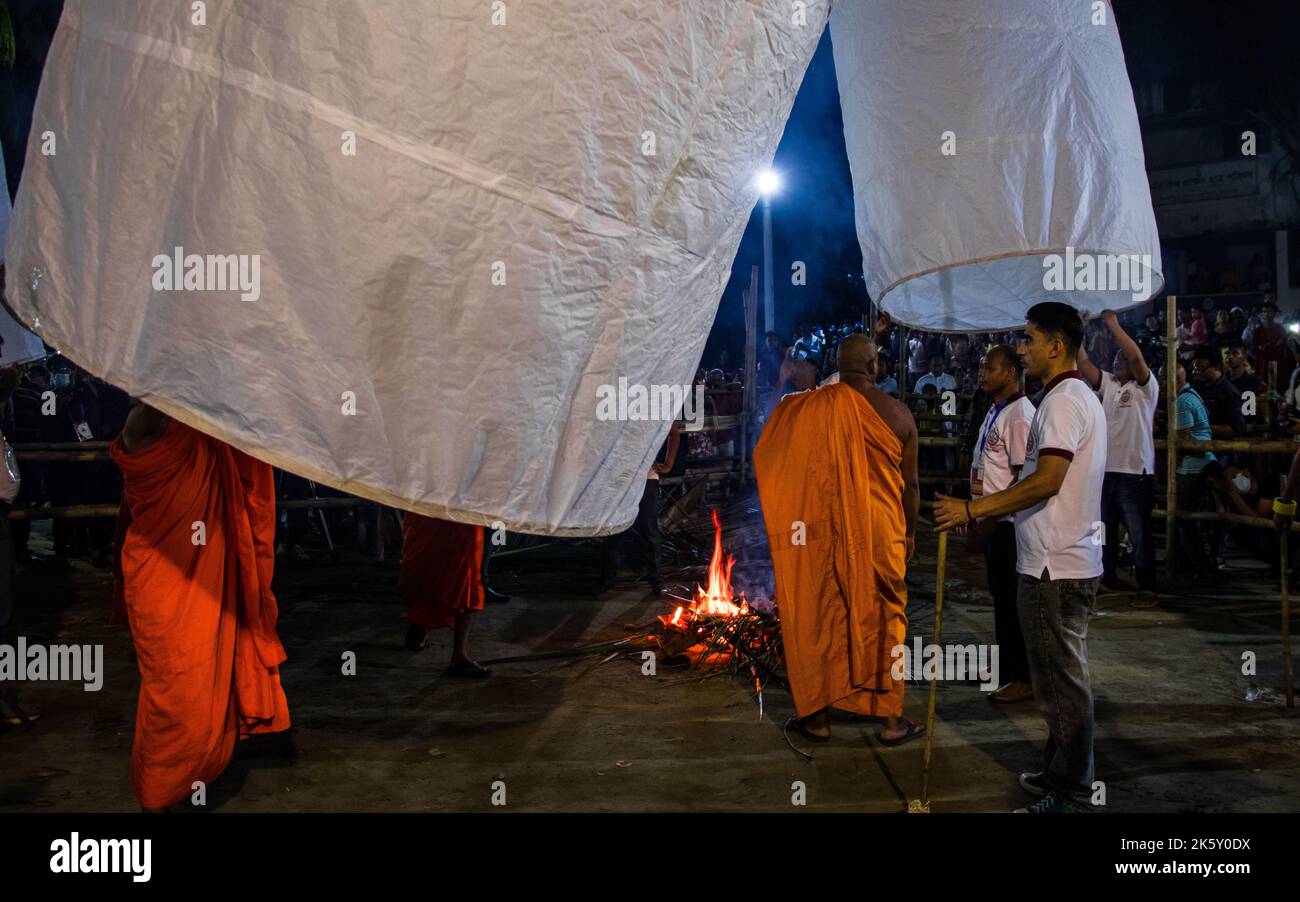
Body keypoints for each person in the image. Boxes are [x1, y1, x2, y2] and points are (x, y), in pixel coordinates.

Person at [935, 302, 1106, 813]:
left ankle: (1072, 792)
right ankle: (1059, 770)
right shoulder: (1067, 397)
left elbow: (1046, 481)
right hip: (1056, 560)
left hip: (1055, 565)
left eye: (1030, 339)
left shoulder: (1061, 402)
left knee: (1061, 684)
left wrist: (972, 508)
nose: (1023, 348)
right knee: (1056, 679)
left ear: (1056, 345)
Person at [111, 405, 291, 810]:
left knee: (206, 681)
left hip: (207, 577)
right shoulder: (145, 420)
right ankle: (159, 793)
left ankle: (186, 777)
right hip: (162, 580)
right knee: (174, 690)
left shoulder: (213, 426)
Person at [754, 335, 923, 745]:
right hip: (882, 534)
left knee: (819, 611)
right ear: (874, 366)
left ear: (837, 364)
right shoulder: (897, 413)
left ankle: (818, 717)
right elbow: (912, 486)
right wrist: (911, 532)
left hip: (820, 533)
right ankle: (891, 720)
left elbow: (772, 457)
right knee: (886, 619)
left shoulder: (807, 409)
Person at [967, 344, 1036, 703]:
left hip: (1007, 524)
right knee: (1001, 598)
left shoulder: (1021, 414)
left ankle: (1023, 677)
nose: (981, 373)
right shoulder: (997, 409)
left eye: (988, 367)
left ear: (1009, 373)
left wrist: (990, 521)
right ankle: (1009, 669)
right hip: (992, 519)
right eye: (980, 367)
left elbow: (1023, 477)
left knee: (1011, 601)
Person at [1076, 309, 1159, 600]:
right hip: (1106, 472)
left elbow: (1136, 358)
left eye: (1121, 358)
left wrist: (1112, 324)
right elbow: (1083, 362)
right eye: (1116, 358)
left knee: (1139, 534)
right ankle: (1107, 578)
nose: (1118, 360)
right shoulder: (1109, 384)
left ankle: (1148, 586)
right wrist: (1080, 330)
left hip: (1135, 473)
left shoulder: (1147, 389)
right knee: (1104, 531)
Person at [400, 513, 491, 675]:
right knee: (427, 569)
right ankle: (420, 620)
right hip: (434, 510)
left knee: (465, 578)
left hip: (460, 514)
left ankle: (458, 653)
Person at [600, 420, 681, 596]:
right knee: (613, 529)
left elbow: (674, 432)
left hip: (646, 477)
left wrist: (668, 465)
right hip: (618, 478)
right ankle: (607, 578)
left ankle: (656, 581)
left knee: (649, 530)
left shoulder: (654, 403)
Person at [1173, 361, 1217, 576]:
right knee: (1188, 519)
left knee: (1183, 518)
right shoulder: (1192, 395)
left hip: (1193, 467)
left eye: (1164, 379)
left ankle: (1200, 565)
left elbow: (1184, 439)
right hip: (1202, 463)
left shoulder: (1182, 401)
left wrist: (1177, 460)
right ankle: (1189, 563)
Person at [1190, 346, 1245, 438]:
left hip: (1219, 447)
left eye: (1201, 369)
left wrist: (1199, 428)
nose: (1197, 372)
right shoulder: (1196, 385)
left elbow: (1235, 429)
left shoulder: (1229, 392)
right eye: (1195, 368)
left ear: (1216, 367)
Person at [1248, 301, 1289, 389]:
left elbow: (1281, 346)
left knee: (1278, 386)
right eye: (1264, 312)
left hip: (1278, 362)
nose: (1267, 314)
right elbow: (1255, 349)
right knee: (1263, 386)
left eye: (1269, 311)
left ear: (1275, 313)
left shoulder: (1280, 328)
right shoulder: (1258, 330)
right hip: (1263, 363)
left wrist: (1265, 347)